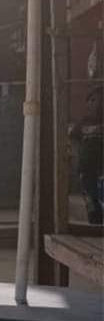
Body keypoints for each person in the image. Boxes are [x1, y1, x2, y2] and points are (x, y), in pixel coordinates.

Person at [69, 86, 102, 224]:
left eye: (100, 100)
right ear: (88, 103)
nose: (97, 103)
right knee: (91, 202)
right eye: (92, 100)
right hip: (86, 168)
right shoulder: (82, 123)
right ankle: (95, 226)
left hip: (101, 168)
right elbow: (73, 140)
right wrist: (77, 158)